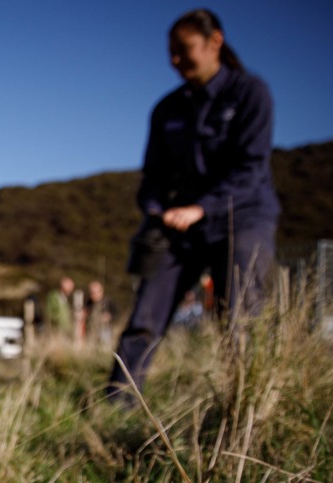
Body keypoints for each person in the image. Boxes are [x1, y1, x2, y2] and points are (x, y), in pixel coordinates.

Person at [108, 9, 280, 399]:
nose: (175, 60)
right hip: (180, 226)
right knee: (145, 313)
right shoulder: (167, 109)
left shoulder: (250, 94)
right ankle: (118, 400)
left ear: (214, 42)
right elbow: (152, 177)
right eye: (171, 52)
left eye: (184, 49)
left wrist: (203, 207)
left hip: (242, 217)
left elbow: (252, 168)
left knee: (237, 316)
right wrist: (155, 210)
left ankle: (243, 403)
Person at [85, 280, 116, 345]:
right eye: (91, 293)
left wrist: (108, 316)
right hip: (91, 332)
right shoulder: (88, 303)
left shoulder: (108, 302)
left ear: (101, 292)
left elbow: (115, 314)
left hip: (105, 332)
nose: (93, 295)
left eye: (95, 292)